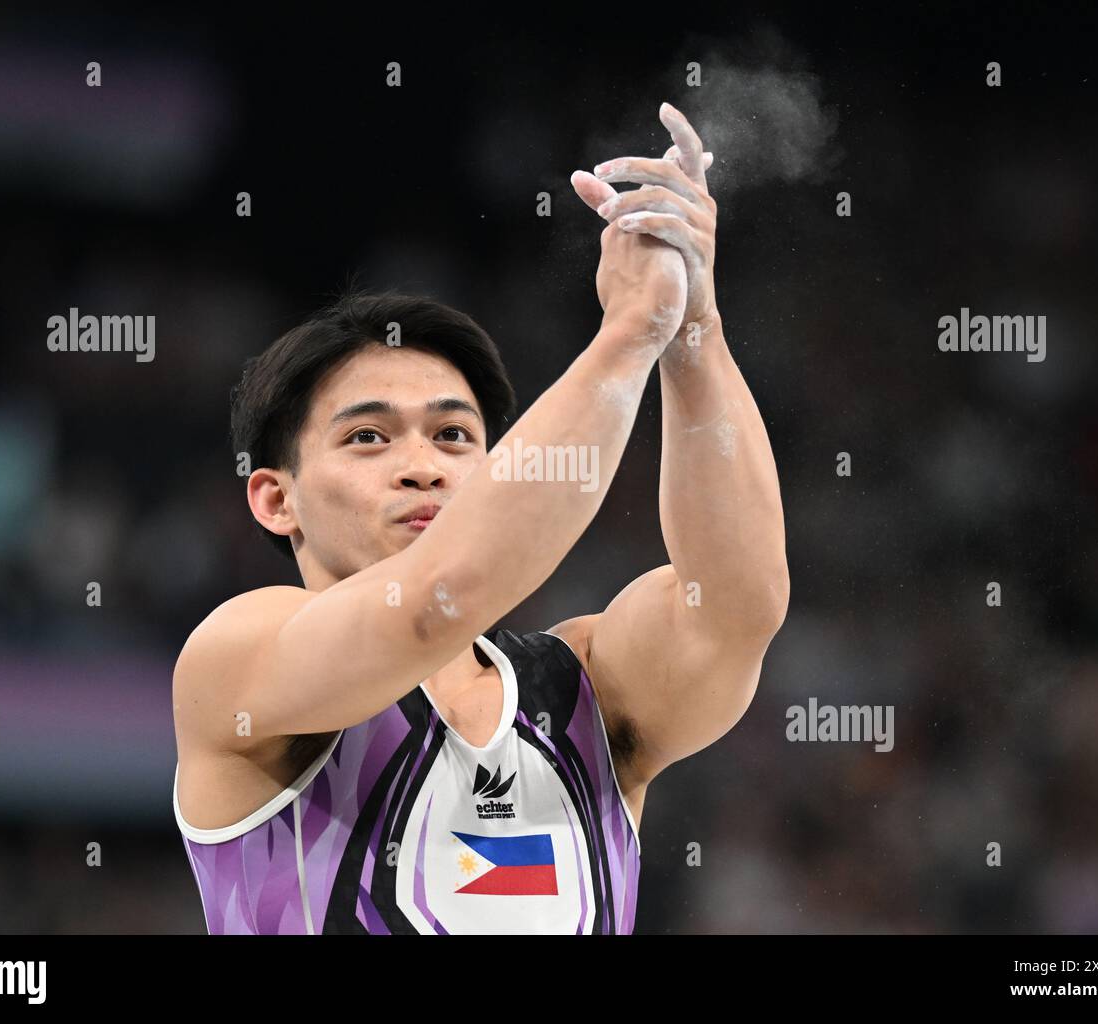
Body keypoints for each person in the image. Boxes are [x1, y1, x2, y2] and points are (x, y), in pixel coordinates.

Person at [172, 102, 788, 933]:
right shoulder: (235, 661)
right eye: (368, 436)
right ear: (275, 498)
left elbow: (738, 609)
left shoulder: (588, 694)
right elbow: (434, 602)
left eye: (455, 435)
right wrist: (627, 335)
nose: (422, 463)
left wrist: (693, 330)